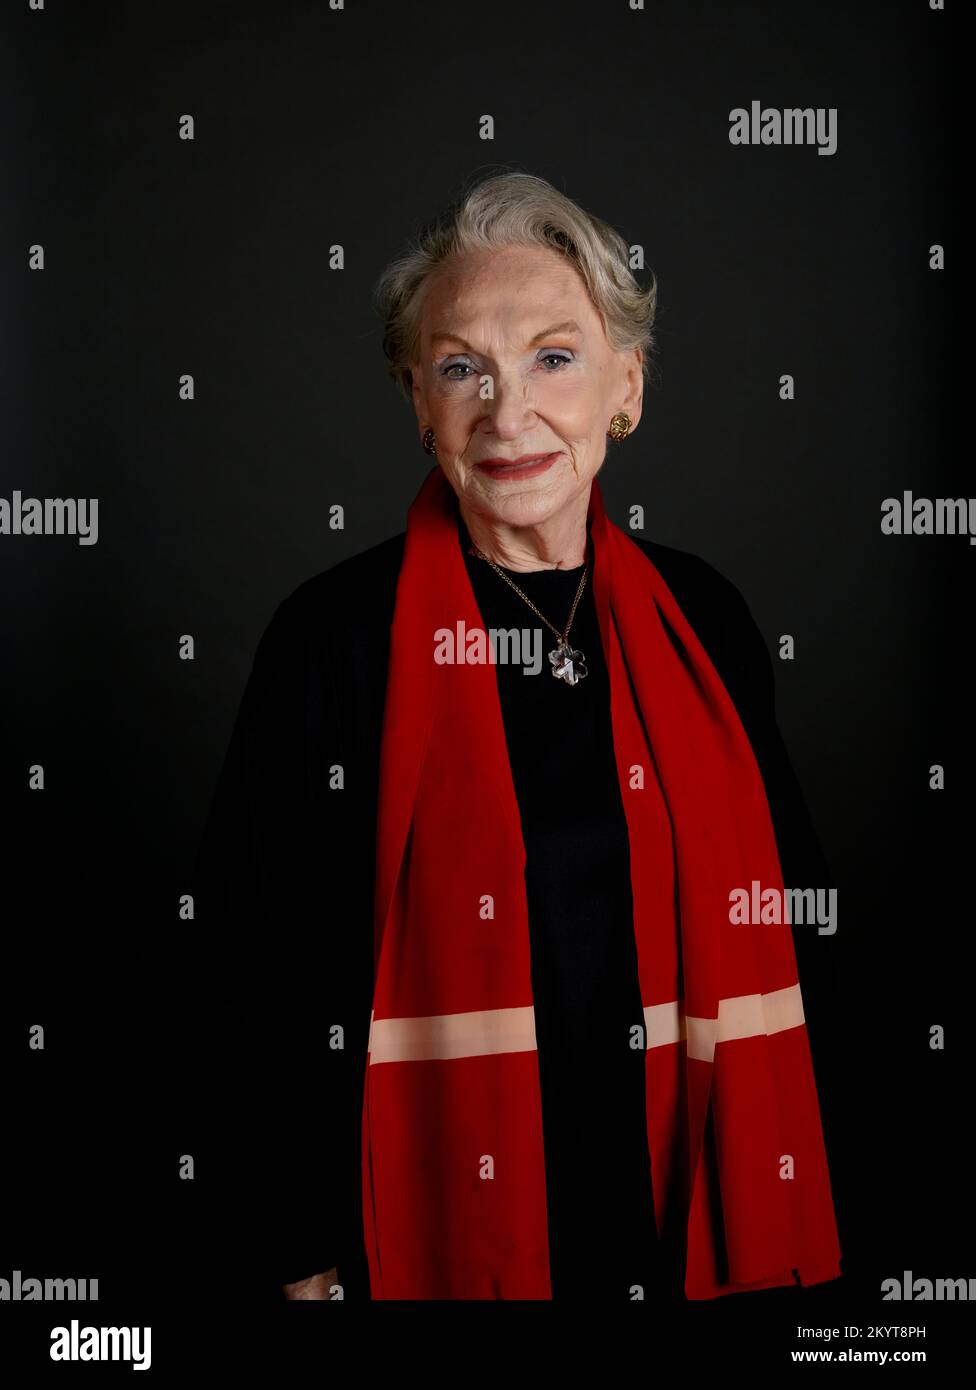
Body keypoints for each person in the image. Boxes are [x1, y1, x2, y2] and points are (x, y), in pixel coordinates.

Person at [193, 170, 844, 1302]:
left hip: (674, 1195)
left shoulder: (707, 620)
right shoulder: (332, 639)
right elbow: (247, 970)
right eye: (461, 370)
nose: (507, 413)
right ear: (416, 402)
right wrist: (294, 1246)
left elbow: (795, 915)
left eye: (553, 357)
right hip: (432, 1213)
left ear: (625, 387)